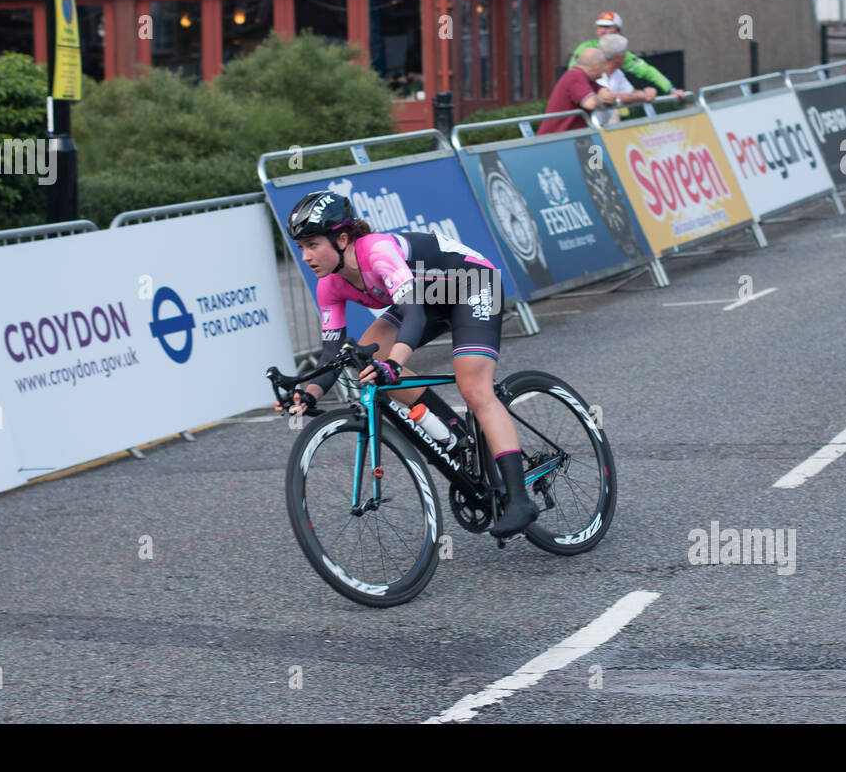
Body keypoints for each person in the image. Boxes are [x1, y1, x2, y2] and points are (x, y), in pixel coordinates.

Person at [275, 191, 540, 538]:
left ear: (342, 238)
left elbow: (413, 313)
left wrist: (395, 365)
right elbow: (331, 354)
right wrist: (307, 395)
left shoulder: (378, 251)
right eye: (301, 248)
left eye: (312, 244)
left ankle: (520, 500)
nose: (307, 256)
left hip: (471, 285)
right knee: (361, 358)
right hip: (429, 297)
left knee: (474, 388)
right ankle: (453, 431)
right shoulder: (330, 286)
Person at [568, 11, 674, 95]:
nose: (603, 30)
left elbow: (648, 71)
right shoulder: (585, 48)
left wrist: (670, 89)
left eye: (608, 27)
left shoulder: (622, 55)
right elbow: (572, 75)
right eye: (600, 26)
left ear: (618, 31)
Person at [536, 47, 617, 135]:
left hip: (568, 137)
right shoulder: (575, 76)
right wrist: (602, 99)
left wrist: (607, 97)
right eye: (604, 65)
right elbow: (591, 103)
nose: (605, 69)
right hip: (555, 140)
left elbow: (608, 94)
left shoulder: (588, 80)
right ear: (596, 67)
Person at [591, 33, 657, 128]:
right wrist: (642, 96)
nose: (626, 56)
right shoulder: (595, 73)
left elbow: (630, 92)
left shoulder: (617, 73)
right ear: (617, 56)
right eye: (625, 53)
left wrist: (648, 92)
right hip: (590, 132)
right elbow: (612, 98)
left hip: (606, 129)